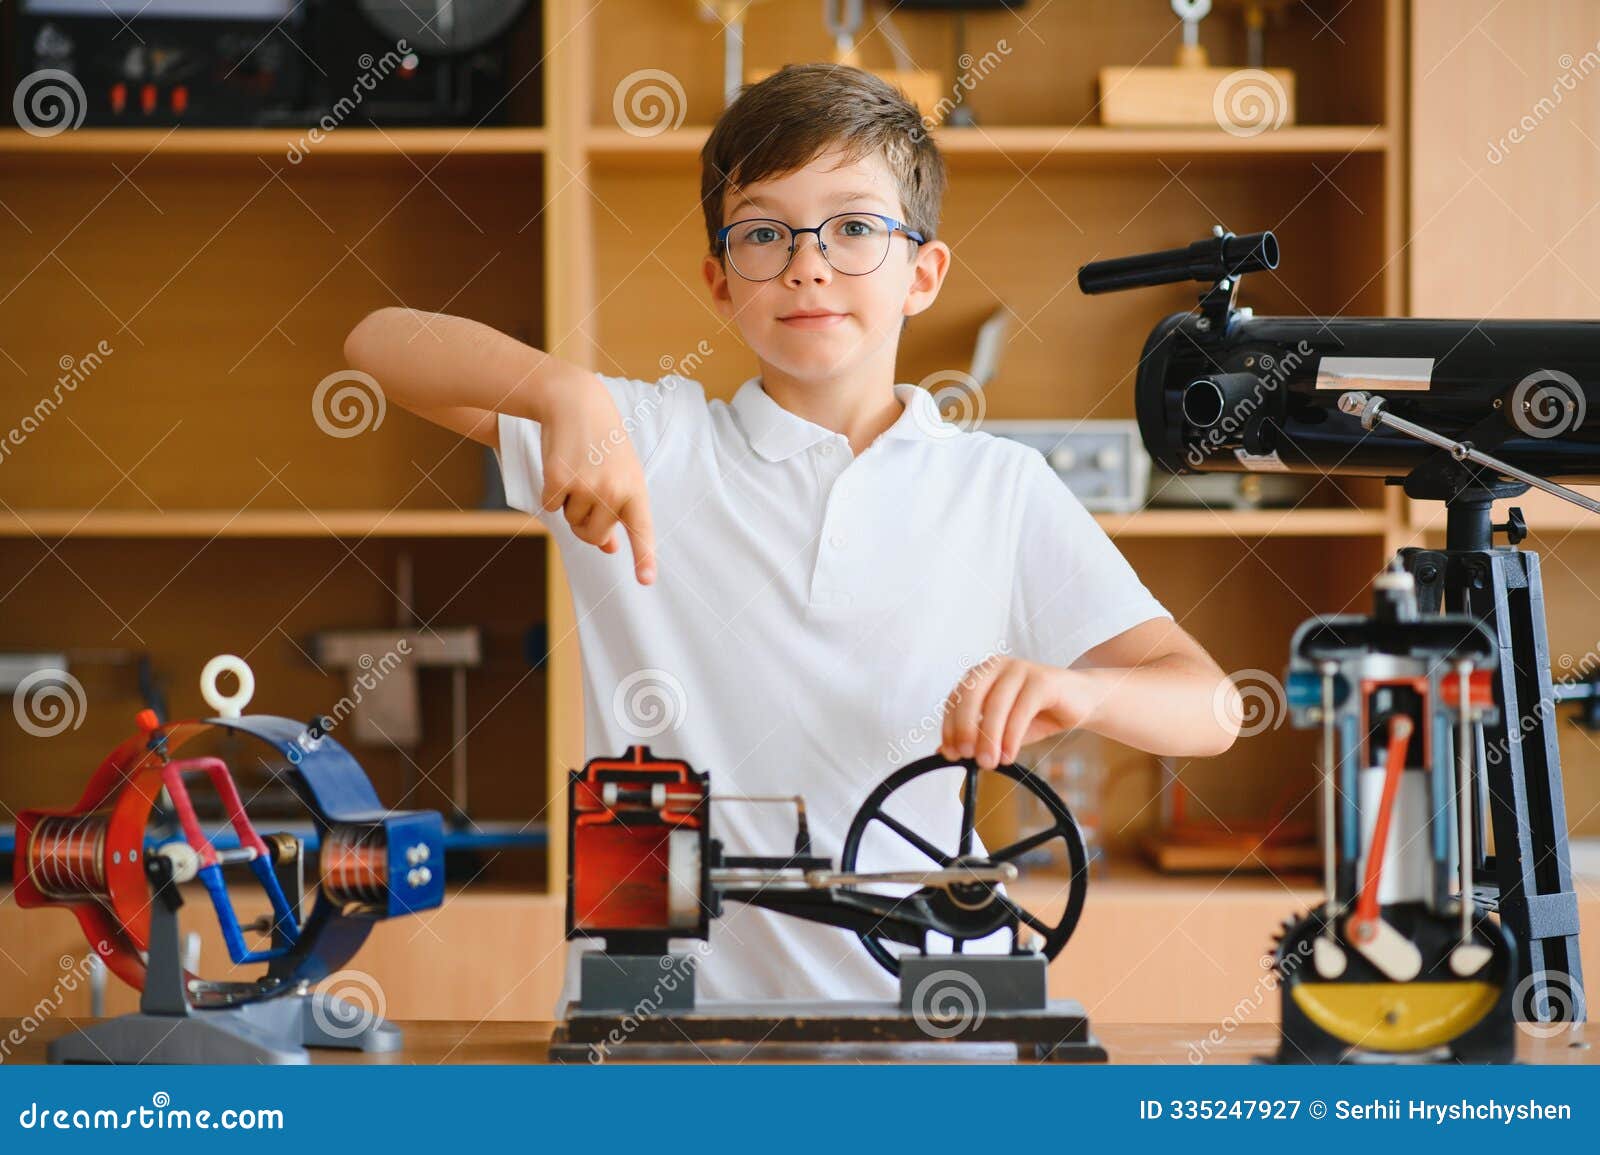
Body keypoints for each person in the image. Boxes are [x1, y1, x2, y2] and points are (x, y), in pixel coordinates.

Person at [343, 63, 1241, 1009]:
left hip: (932, 1035)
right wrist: (563, 391)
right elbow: (379, 341)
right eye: (765, 234)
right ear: (720, 282)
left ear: (923, 274)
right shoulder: (648, 441)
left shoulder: (999, 487)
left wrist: (1082, 688)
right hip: (673, 1045)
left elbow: (1214, 707)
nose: (808, 264)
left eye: (854, 227)